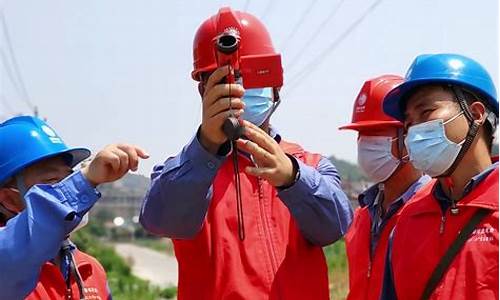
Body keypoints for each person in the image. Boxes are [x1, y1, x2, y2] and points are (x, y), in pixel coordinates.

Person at [140, 7, 353, 299]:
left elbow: (333, 227)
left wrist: (293, 178)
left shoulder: (311, 165)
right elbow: (161, 220)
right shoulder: (182, 171)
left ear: (275, 86)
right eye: (226, 79)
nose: (240, 89)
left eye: (251, 77)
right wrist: (206, 148)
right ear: (204, 92)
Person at [381, 53, 498, 299]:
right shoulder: (407, 221)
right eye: (408, 123)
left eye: (426, 113)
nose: (414, 131)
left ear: (476, 114)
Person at [0, 116, 149, 299]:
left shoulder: (89, 269)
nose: (65, 188)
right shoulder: (8, 267)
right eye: (53, 182)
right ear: (9, 199)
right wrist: (84, 180)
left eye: (69, 179)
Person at [339, 75, 431, 300]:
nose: (366, 145)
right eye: (362, 135)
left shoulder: (433, 211)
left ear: (409, 137)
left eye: (377, 134)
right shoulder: (363, 216)